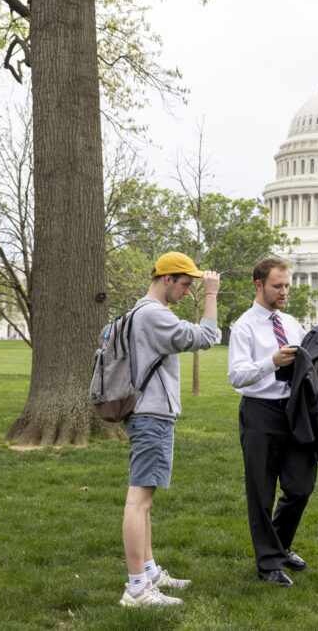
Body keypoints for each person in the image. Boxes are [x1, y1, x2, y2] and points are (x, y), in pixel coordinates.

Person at [227, 258, 318, 587]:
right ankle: (268, 564)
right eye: (278, 286)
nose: (284, 291)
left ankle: (278, 544)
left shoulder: (291, 323)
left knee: (300, 486)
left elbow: (307, 362)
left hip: (296, 412)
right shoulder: (244, 326)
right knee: (261, 492)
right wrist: (271, 362)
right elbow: (236, 376)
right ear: (259, 285)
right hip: (260, 412)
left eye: (287, 285)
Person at [118, 252, 221, 608]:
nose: (187, 292)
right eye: (185, 284)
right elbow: (206, 337)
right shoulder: (153, 315)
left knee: (144, 502)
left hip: (147, 413)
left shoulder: (139, 312)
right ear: (166, 279)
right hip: (151, 415)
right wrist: (212, 295)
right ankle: (136, 589)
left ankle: (148, 573)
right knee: (138, 501)